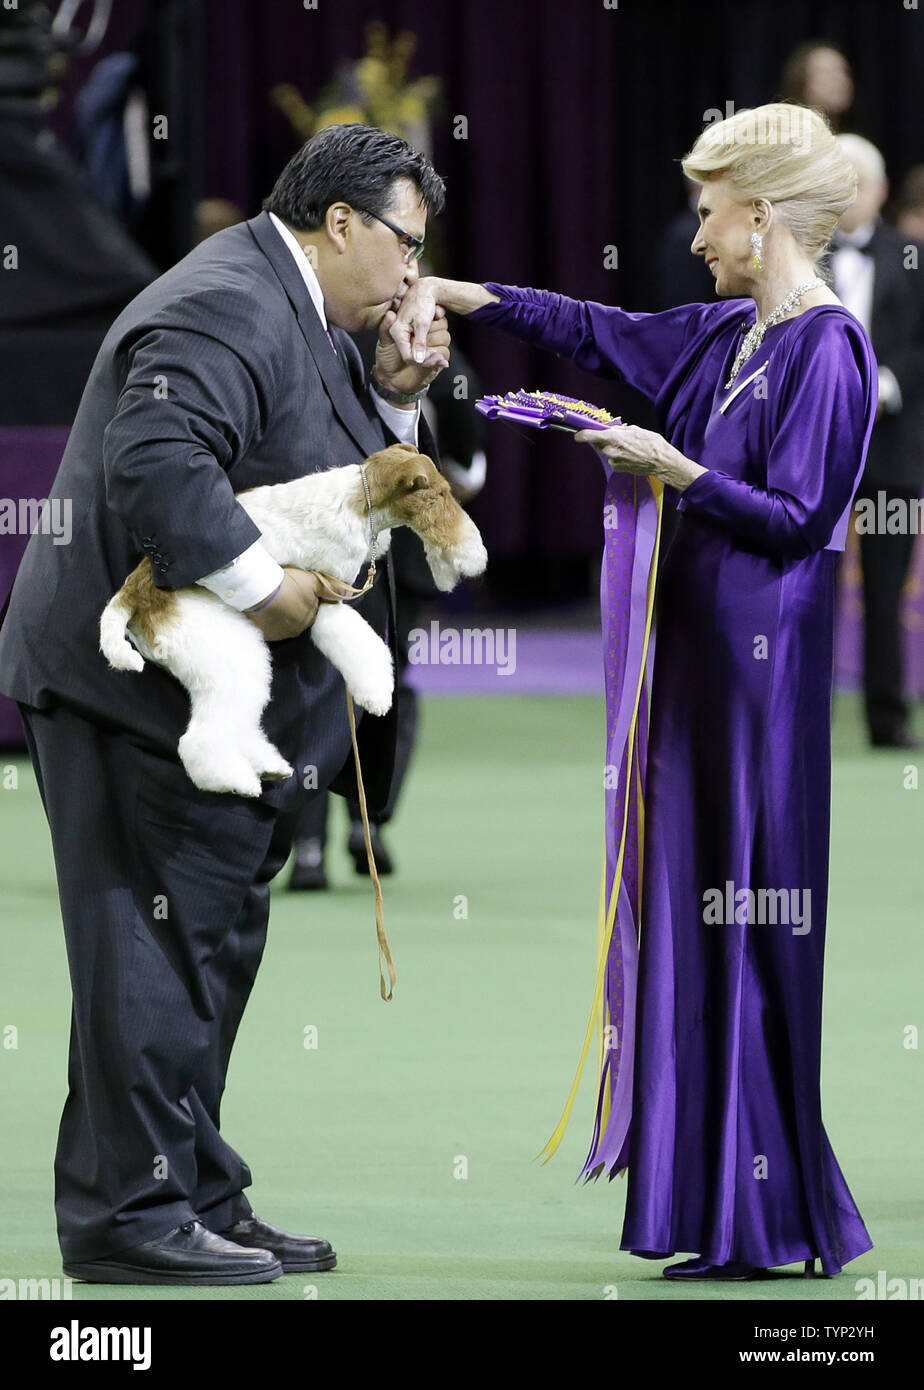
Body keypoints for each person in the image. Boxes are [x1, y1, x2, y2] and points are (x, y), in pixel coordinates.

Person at [389, 102, 876, 1280]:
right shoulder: (723, 336)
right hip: (692, 678)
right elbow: (592, 327)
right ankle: (722, 1212)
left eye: (711, 213)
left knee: (753, 924)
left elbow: (803, 521)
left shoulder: (828, 348)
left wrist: (675, 468)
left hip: (764, 694)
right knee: (690, 926)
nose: (699, 235)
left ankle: (776, 1216)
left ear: (762, 216)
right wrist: (446, 293)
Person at [0, 122, 450, 1285]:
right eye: (406, 242)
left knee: (206, 949)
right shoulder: (225, 302)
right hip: (128, 688)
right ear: (341, 223)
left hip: (212, 704)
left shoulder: (312, 313)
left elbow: (344, 472)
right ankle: (128, 1218)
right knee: (150, 951)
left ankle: (193, 1187)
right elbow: (160, 467)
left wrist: (399, 399)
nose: (416, 273)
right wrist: (275, 592)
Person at [831, 133, 924, 748]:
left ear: (882, 192)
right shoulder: (797, 256)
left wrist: (886, 384)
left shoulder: (911, 257)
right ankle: (787, 720)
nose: (847, 199)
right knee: (800, 588)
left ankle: (888, 721)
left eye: (857, 185)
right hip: (813, 451)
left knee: (887, 592)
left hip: (891, 451)